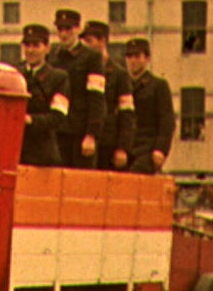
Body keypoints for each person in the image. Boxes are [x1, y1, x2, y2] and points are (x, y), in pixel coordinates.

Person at [50, 9, 105, 169]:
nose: (64, 34)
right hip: (57, 130)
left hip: (80, 132)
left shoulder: (92, 57)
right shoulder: (52, 55)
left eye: (69, 29)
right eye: (60, 29)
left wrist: (91, 134)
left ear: (78, 29)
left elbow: (96, 97)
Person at [80, 20, 133, 170]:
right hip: (84, 138)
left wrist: (123, 147)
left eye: (89, 41)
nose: (86, 46)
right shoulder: (82, 69)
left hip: (107, 143)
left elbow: (127, 113)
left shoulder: (119, 74)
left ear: (103, 41)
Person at [16, 23, 70, 166]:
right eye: (27, 45)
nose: (30, 50)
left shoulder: (58, 78)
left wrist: (30, 120)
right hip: (16, 152)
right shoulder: (15, 74)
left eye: (36, 45)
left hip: (42, 157)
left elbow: (58, 117)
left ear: (47, 48)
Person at [123, 37, 174, 174]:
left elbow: (166, 121)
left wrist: (161, 149)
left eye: (137, 56)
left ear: (147, 58)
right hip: (125, 150)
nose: (133, 60)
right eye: (129, 56)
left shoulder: (158, 86)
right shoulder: (122, 85)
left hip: (147, 150)